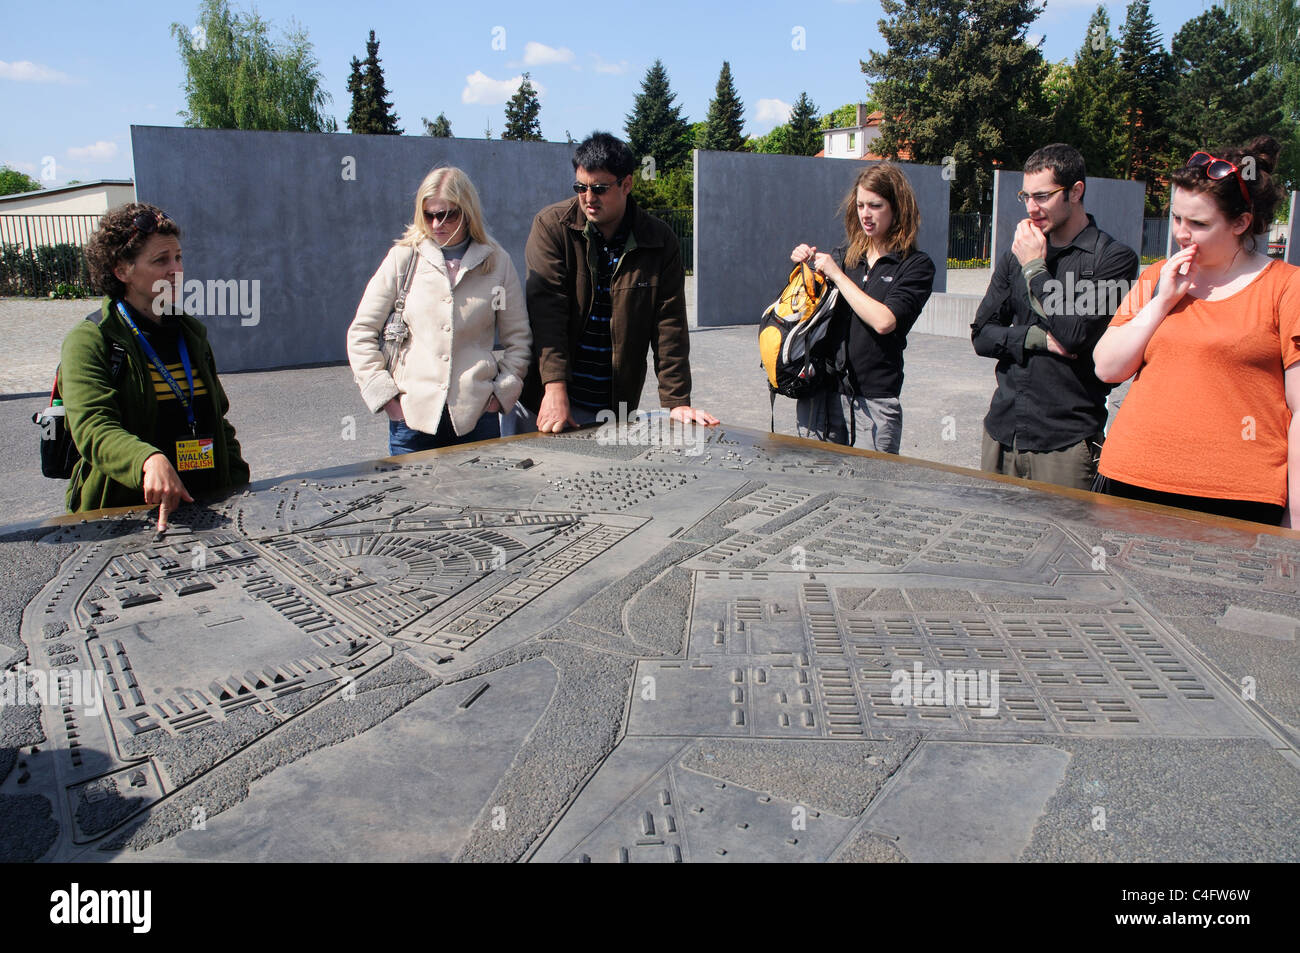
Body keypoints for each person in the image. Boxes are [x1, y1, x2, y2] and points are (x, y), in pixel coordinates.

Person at [1093, 136, 1299, 526]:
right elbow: (1107, 367)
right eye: (1176, 217)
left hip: (1238, 496)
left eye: (1199, 223)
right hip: (1131, 479)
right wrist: (1162, 302)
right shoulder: (1158, 276)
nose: (1181, 234)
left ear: (1241, 223)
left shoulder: (1287, 286)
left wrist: (1296, 521)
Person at [510, 131, 717, 434]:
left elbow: (669, 325)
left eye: (600, 188)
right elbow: (547, 312)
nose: (589, 198)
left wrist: (677, 401)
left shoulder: (659, 241)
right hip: (546, 402)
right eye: (580, 187)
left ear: (627, 184)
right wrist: (554, 389)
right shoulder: (552, 226)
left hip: (613, 407)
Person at [61, 203, 249, 530]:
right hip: (129, 519)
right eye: (160, 260)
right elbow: (93, 428)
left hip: (207, 510)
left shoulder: (190, 333)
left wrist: (238, 485)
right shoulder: (91, 340)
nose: (175, 269)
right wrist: (147, 460)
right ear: (122, 270)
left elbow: (218, 419)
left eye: (178, 258)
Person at [972, 143, 1140, 490]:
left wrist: (1035, 267)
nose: (1032, 208)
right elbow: (982, 334)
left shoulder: (1112, 259)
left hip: (1064, 443)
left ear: (1076, 191)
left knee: (1065, 542)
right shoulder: (1014, 254)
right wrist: (1034, 339)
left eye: (1043, 196)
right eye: (1026, 196)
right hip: (1003, 432)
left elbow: (1073, 333)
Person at [348, 167, 531, 456]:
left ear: (468, 211)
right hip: (412, 422)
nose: (437, 223)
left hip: (477, 420)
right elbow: (361, 333)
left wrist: (499, 395)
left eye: (449, 214)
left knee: (482, 500)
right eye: (430, 214)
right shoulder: (404, 258)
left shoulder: (496, 262)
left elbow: (518, 339)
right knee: (412, 500)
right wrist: (388, 400)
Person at [789, 162, 935, 451]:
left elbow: (884, 321)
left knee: (871, 491)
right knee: (817, 482)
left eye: (875, 205)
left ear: (897, 208)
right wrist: (805, 265)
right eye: (860, 205)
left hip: (875, 399)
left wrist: (837, 275)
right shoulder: (846, 256)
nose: (865, 214)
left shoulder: (915, 266)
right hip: (825, 391)